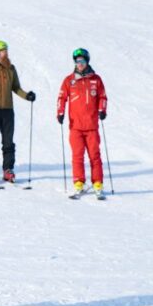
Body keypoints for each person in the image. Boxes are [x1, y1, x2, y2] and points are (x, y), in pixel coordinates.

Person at [0, 40, 35, 183]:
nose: (6, 53)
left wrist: (27, 96)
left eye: (6, 50)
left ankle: (8, 170)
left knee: (8, 142)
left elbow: (16, 87)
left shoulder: (11, 69)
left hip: (8, 111)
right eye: (4, 50)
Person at [56, 48, 108, 196]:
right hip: (75, 126)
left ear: (87, 62)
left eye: (82, 61)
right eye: (77, 61)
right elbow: (61, 97)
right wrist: (60, 113)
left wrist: (102, 110)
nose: (79, 64)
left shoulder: (96, 79)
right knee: (77, 156)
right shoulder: (69, 80)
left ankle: (97, 183)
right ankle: (79, 183)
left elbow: (102, 97)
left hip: (91, 126)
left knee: (94, 155)